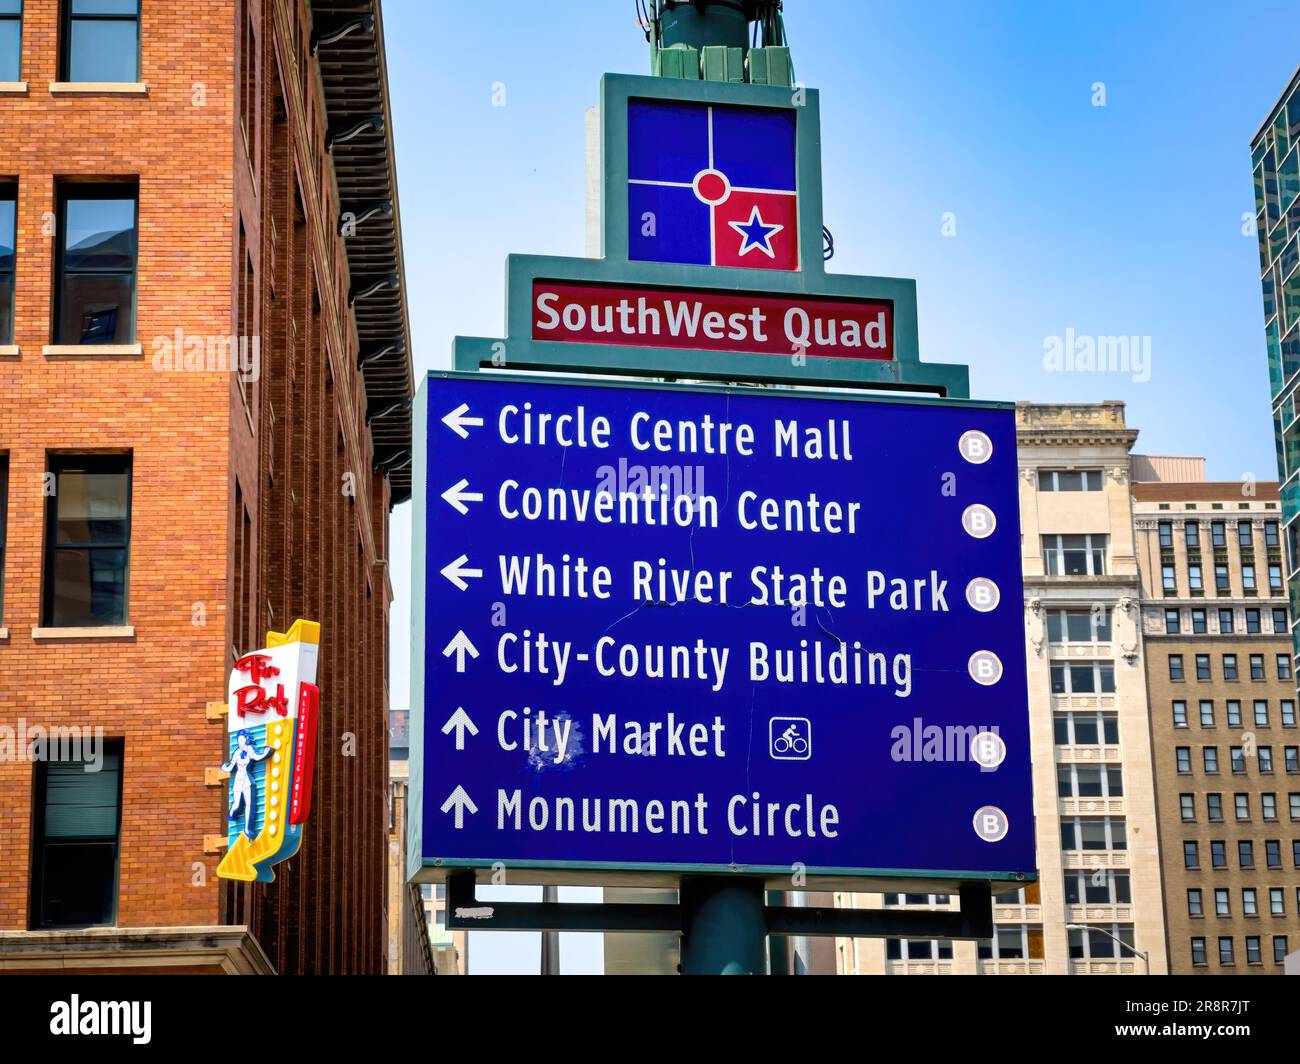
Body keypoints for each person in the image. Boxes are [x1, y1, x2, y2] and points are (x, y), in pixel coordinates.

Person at [223, 729, 272, 838]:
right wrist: (225, 768)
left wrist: (266, 752)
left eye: (242, 739)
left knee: (250, 804)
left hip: (247, 780)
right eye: (239, 739)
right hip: (238, 779)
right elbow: (231, 765)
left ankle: (247, 829)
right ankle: (232, 814)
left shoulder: (250, 749)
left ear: (246, 739)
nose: (240, 742)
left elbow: (257, 756)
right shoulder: (237, 752)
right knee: (236, 804)